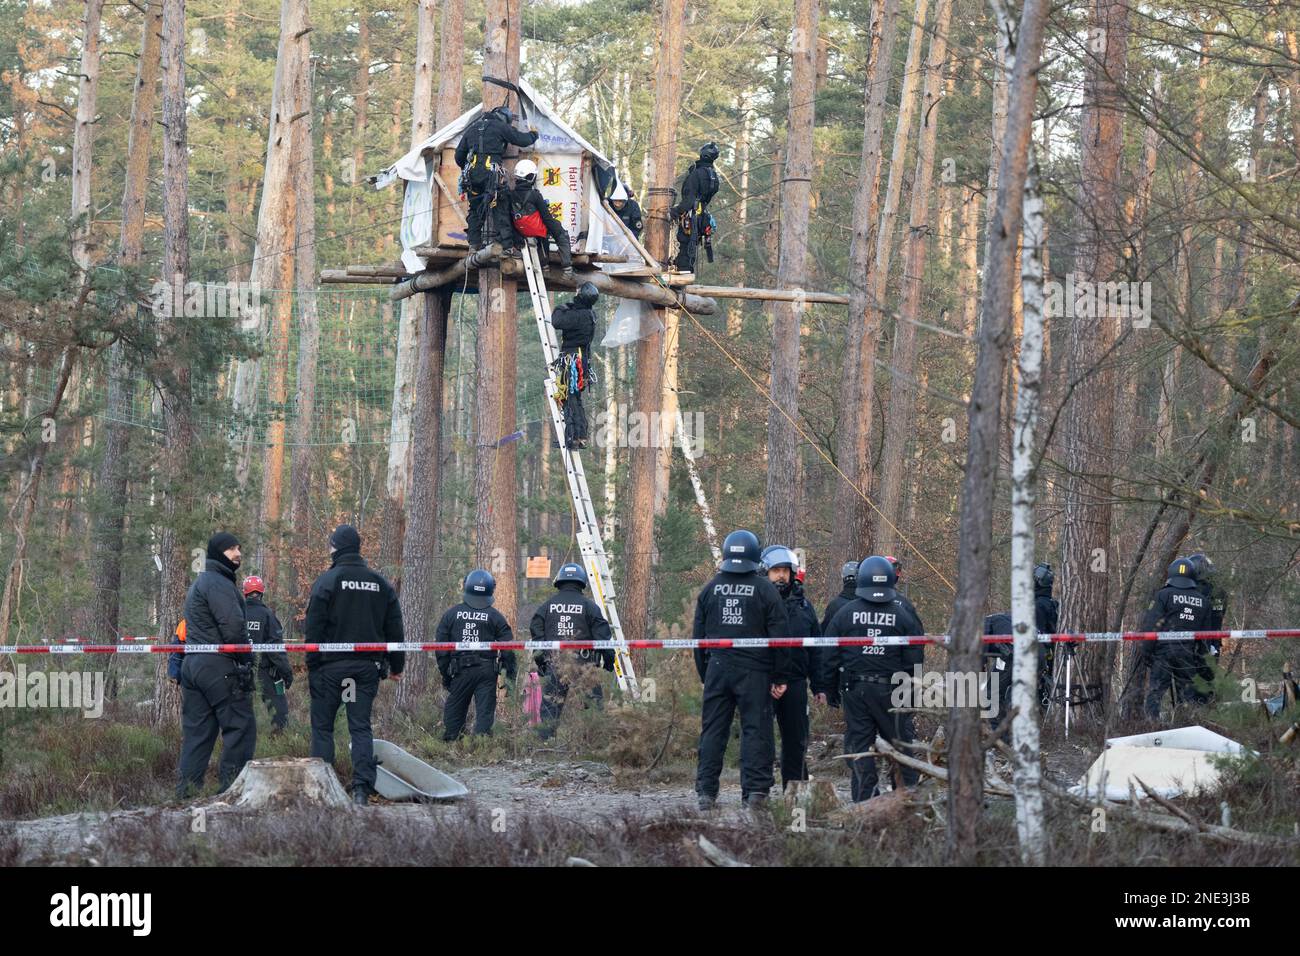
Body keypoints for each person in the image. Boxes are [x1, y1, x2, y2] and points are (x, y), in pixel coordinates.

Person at [304, 524, 405, 806]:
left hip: (331, 669)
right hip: (365, 669)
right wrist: (397, 665)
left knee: (322, 728)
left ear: (336, 548)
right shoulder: (380, 583)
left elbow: (313, 628)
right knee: (360, 727)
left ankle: (324, 790)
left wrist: (312, 665)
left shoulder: (327, 581)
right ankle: (361, 789)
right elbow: (395, 628)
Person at [694, 530, 793, 811]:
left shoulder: (710, 589)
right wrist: (780, 675)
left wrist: (706, 674)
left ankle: (706, 792)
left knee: (713, 731)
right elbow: (780, 637)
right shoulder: (766, 590)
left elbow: (697, 639)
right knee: (756, 731)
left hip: (717, 668)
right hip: (755, 672)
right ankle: (756, 792)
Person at [821, 555, 925, 802]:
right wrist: (912, 692)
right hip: (894, 691)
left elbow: (829, 655)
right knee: (901, 747)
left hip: (856, 691)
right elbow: (915, 659)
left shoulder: (845, 613)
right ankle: (906, 800)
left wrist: (828, 687)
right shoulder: (904, 613)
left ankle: (864, 802)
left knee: (861, 749)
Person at [177, 531, 256, 799]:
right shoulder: (219, 583)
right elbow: (233, 628)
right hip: (218, 666)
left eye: (239, 548)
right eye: (231, 549)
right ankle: (233, 793)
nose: (238, 553)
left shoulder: (204, 582)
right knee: (240, 728)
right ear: (216, 553)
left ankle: (186, 795)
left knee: (197, 734)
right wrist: (247, 659)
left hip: (194, 666)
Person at [761, 545, 823, 790]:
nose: (781, 576)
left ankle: (794, 790)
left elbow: (817, 648)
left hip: (796, 683)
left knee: (796, 741)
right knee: (761, 740)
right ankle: (758, 792)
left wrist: (820, 685)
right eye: (776, 570)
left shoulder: (804, 607)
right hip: (763, 682)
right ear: (765, 572)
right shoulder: (757, 603)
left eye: (785, 571)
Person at [530, 563, 614, 740]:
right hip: (584, 664)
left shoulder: (547, 606)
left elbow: (537, 634)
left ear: (559, 581)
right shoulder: (590, 607)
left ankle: (544, 749)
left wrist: (543, 662)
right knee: (593, 708)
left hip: (556, 663)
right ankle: (595, 747)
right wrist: (608, 661)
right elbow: (603, 637)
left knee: (550, 709)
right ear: (581, 582)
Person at [435, 569, 517, 740]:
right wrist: (509, 674)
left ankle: (453, 746)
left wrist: (445, 674)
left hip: (460, 671)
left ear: (467, 587)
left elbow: (441, 649)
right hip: (487, 671)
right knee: (485, 715)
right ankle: (482, 747)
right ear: (490, 590)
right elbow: (508, 648)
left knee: (454, 714)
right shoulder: (496, 617)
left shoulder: (451, 615)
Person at [454, 104, 539, 253]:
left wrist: (470, 168)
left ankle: (474, 245)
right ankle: (506, 247)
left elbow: (458, 157)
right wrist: (533, 134)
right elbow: (521, 139)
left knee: (475, 210)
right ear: (504, 119)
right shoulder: (500, 127)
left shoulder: (472, 128)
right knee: (500, 207)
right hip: (491, 176)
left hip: (472, 177)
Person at [1142, 557, 1214, 720]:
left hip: (1163, 654)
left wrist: (1146, 653)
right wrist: (1201, 664)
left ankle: (1150, 727)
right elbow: (1205, 640)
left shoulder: (1162, 595)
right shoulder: (1204, 602)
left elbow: (1151, 627)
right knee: (1187, 698)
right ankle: (1185, 727)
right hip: (1187, 656)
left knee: (1156, 694)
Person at [550, 282, 600, 450]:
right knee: (575, 399)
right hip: (581, 360)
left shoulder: (578, 315)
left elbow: (557, 320)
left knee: (569, 398)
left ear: (581, 295)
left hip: (572, 361)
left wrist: (561, 306)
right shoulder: (589, 314)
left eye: (578, 290)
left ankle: (572, 437)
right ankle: (580, 436)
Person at [242, 575, 293, 734]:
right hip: (265, 673)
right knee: (279, 712)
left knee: (241, 713)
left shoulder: (237, 614)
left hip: (240, 672)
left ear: (245, 593)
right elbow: (276, 651)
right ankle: (278, 742)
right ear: (261, 593)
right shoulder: (268, 615)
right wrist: (287, 674)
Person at [509, 158, 574, 280]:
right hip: (536, 230)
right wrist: (556, 229)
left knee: (542, 231)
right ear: (531, 177)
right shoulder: (535, 195)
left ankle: (544, 268)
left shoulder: (510, 194)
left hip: (520, 232)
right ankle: (567, 269)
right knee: (559, 232)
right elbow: (547, 218)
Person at [671, 142, 720, 273]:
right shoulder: (714, 176)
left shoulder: (697, 174)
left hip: (690, 217)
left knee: (684, 250)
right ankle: (685, 276)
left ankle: (680, 282)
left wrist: (674, 212)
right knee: (691, 251)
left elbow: (689, 201)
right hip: (701, 217)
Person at [820, 561, 858, 638]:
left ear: (843, 577)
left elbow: (825, 633)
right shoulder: (867, 604)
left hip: (840, 649)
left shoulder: (834, 605)